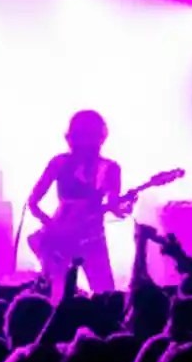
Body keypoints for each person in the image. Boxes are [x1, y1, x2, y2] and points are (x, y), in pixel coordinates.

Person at [26, 110, 122, 295]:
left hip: (92, 237)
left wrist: (123, 207)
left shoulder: (109, 168)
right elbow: (33, 202)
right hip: (63, 239)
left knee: (105, 293)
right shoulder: (59, 163)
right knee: (57, 293)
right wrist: (53, 227)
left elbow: (114, 204)